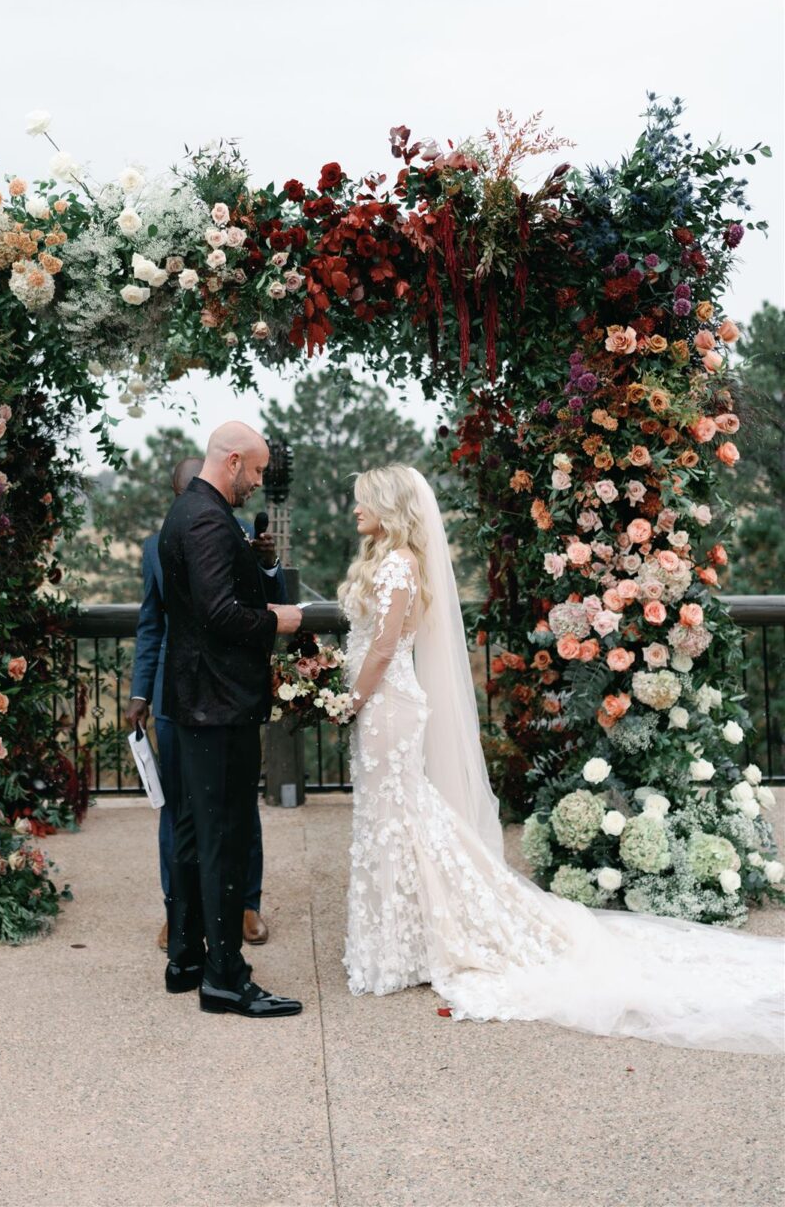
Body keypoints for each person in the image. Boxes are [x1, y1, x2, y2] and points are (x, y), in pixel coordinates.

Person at [339, 463, 783, 1053]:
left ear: (388, 505)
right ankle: (404, 936)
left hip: (386, 703)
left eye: (362, 501)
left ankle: (413, 937)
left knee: (401, 813)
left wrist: (351, 699)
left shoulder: (397, 564)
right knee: (395, 814)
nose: (354, 511)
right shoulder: (391, 561)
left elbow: (387, 645)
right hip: (385, 705)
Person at [156, 421, 303, 1016]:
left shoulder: (186, 512)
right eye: (259, 471)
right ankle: (224, 978)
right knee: (225, 838)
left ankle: (186, 957)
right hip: (219, 704)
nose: (260, 482)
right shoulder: (210, 519)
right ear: (235, 460)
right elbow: (219, 612)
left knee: (194, 832)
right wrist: (279, 620)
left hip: (192, 700)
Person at [129, 455, 288, 950]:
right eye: (184, 498)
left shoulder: (240, 535)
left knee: (239, 801)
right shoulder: (158, 546)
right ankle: (178, 907)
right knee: (176, 807)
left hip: (226, 694)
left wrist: (268, 565)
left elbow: (268, 606)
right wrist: (140, 691)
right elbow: (152, 623)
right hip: (172, 697)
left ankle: (245, 904)